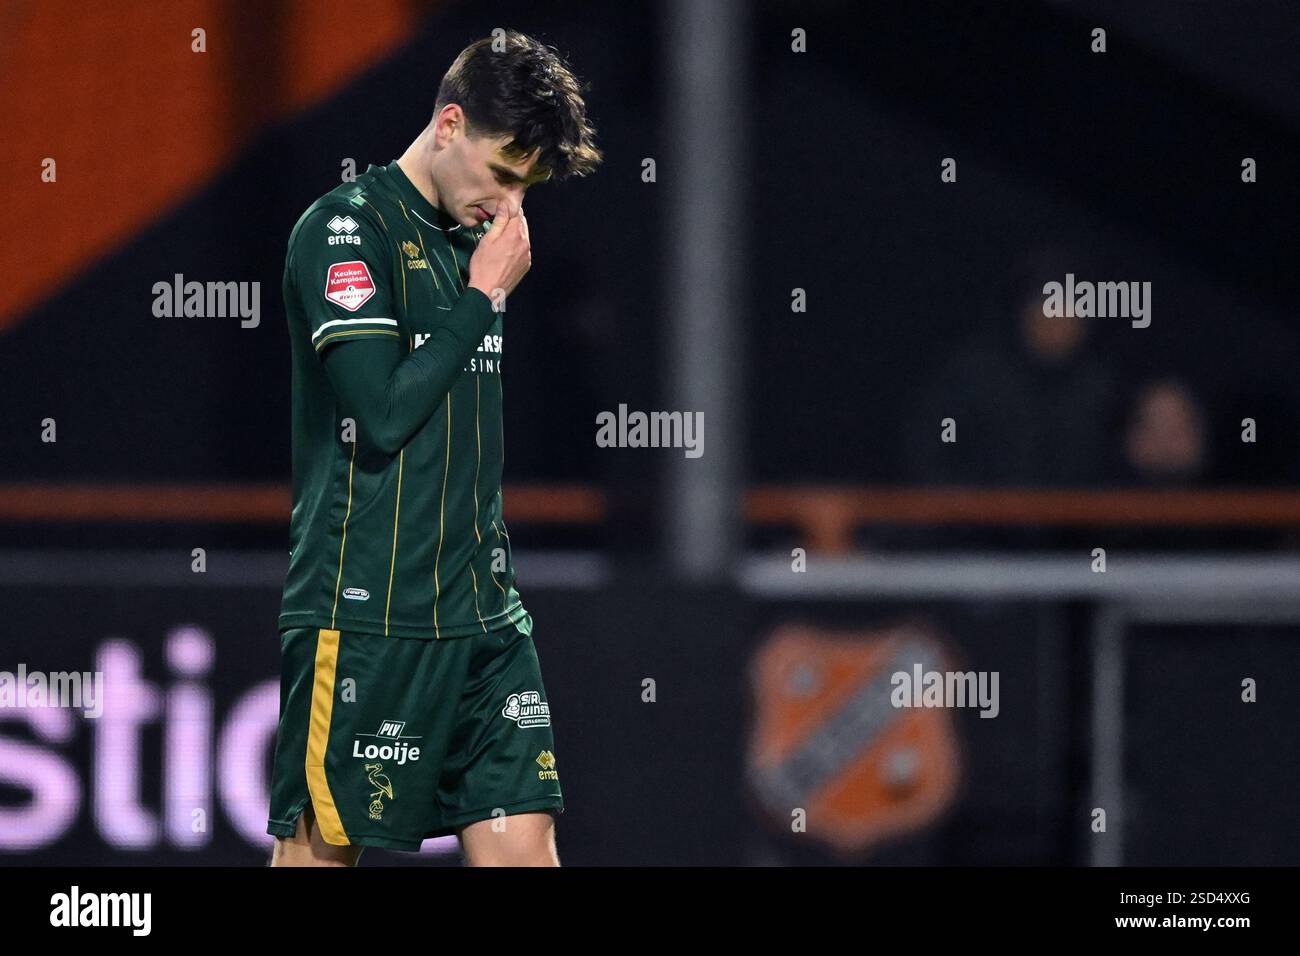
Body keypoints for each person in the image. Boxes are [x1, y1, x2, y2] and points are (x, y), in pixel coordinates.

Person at [265, 31, 602, 866]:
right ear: (448, 125)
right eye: (502, 175)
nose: (511, 207)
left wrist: (482, 286)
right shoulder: (347, 231)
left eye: (529, 188)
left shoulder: (478, 241)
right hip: (369, 611)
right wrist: (483, 298)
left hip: (486, 618)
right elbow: (380, 414)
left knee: (526, 852)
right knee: (319, 855)